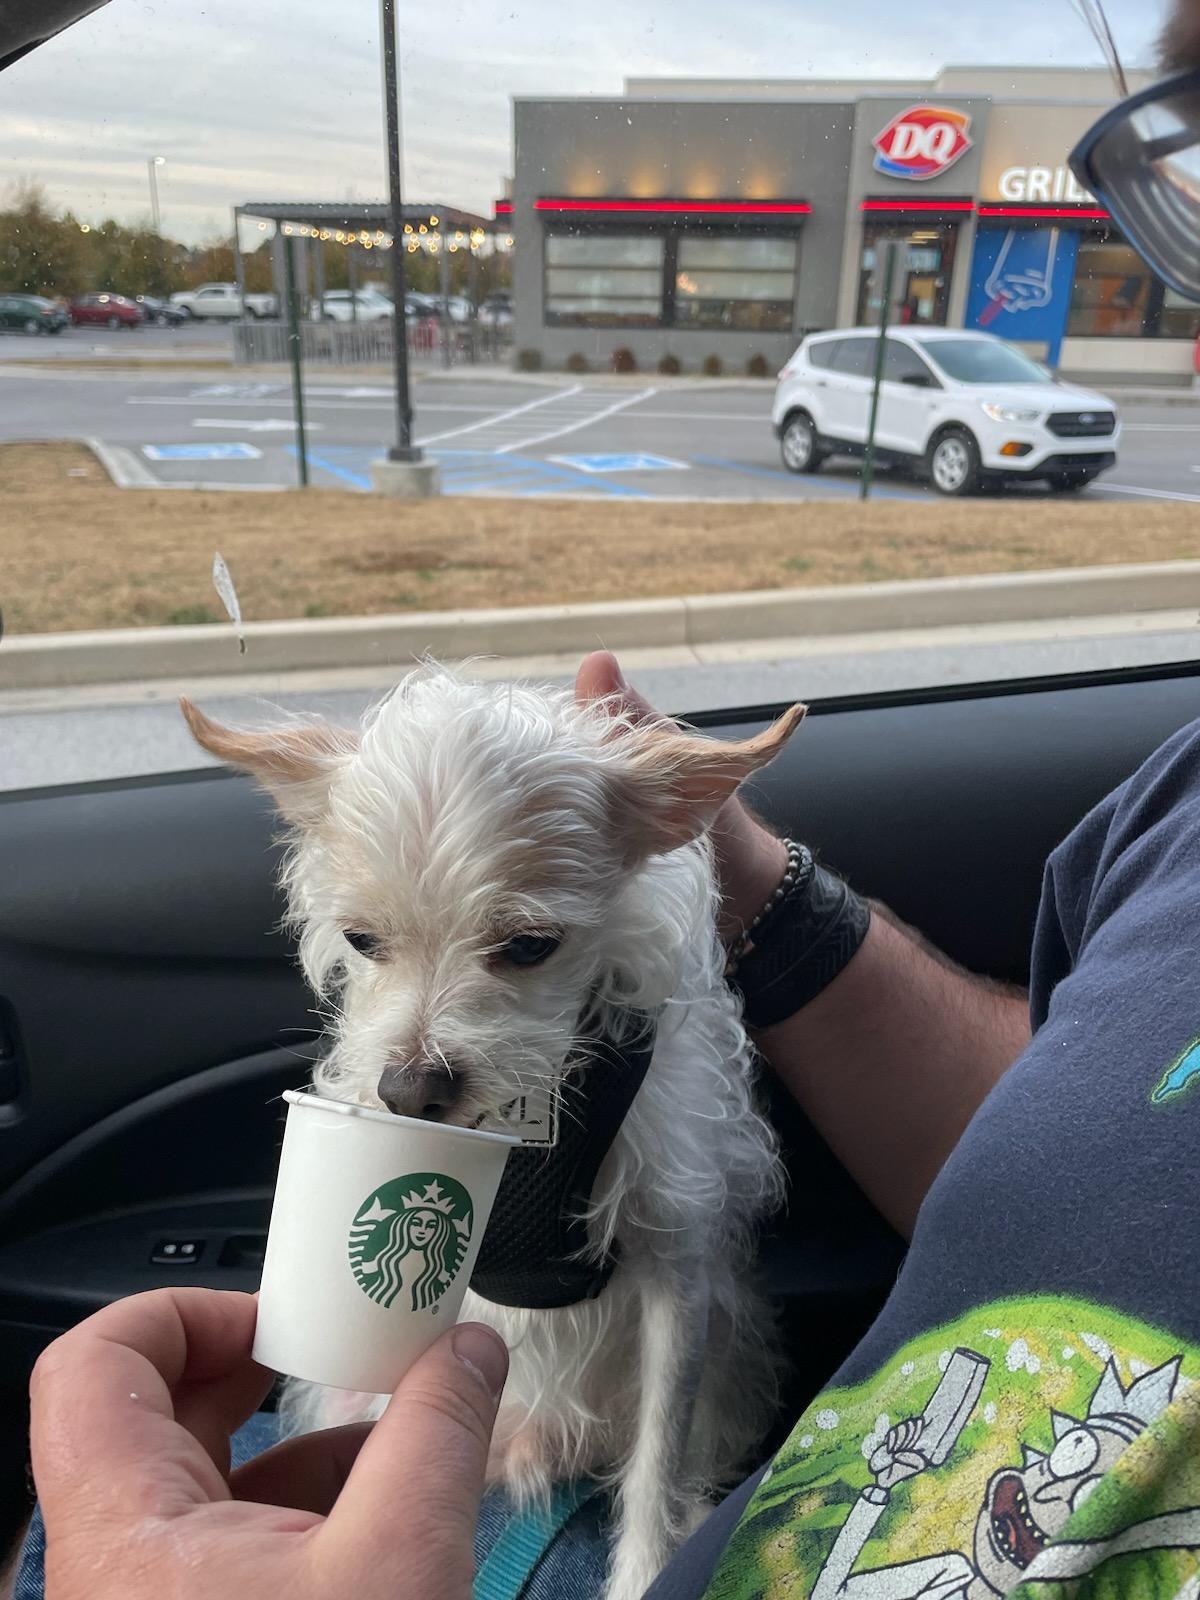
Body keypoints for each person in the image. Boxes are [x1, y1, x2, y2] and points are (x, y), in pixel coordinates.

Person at [14, 26, 1200, 1600]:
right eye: (371, 941)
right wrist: (765, 885)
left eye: (517, 947)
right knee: (154, 1463)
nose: (415, 1035)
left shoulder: (648, 960)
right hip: (730, 1468)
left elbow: (685, 1272)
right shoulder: (1171, 805)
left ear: (652, 843)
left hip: (691, 1516)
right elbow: (1060, 1118)